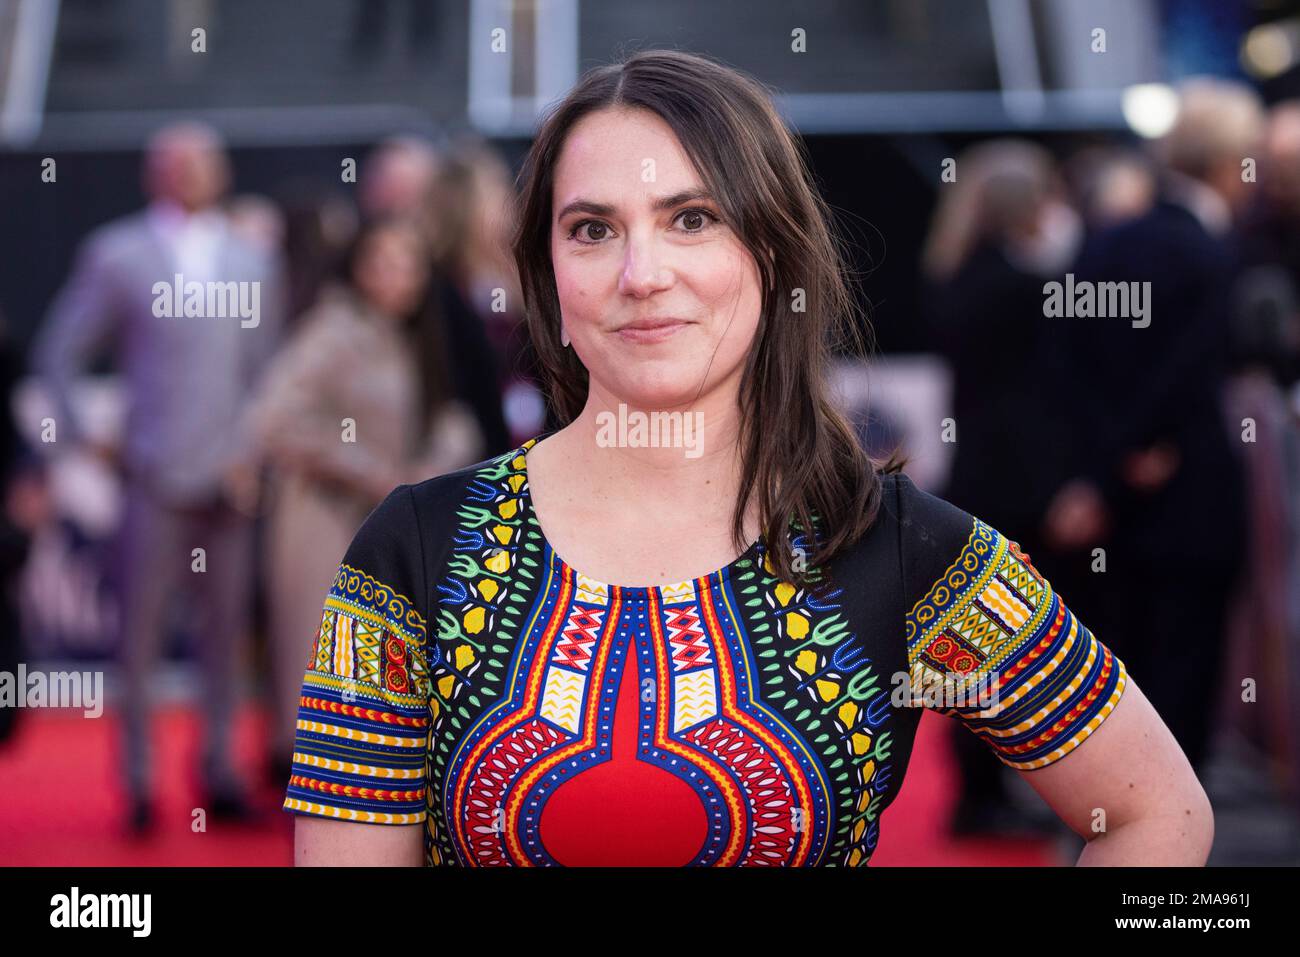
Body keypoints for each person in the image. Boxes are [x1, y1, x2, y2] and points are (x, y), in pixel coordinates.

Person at [284, 50, 1210, 867]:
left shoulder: (900, 548)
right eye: (593, 229)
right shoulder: (415, 548)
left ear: (773, 256)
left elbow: (1157, 812)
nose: (642, 273)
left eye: (692, 218)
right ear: (551, 286)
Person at [32, 121, 283, 834]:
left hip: (231, 479)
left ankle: (222, 771)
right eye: (180, 162)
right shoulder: (118, 254)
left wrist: (252, 451)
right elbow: (60, 352)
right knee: (138, 639)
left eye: (206, 160)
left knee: (226, 636)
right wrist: (89, 439)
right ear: (154, 173)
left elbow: (267, 374)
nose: (195, 173)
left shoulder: (254, 259)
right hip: (154, 476)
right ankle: (138, 784)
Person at [1042, 78, 1264, 776]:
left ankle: (1114, 818)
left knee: (1120, 669)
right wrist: (1141, 450)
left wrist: (1100, 468)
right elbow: (1187, 370)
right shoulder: (1208, 252)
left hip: (1114, 507)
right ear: (1231, 162)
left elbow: (1063, 360)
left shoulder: (1109, 242)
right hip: (1186, 498)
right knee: (1184, 671)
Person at [245, 216, 484, 788]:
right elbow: (273, 420)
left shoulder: (416, 334)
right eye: (382, 262)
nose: (396, 277)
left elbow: (451, 418)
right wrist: (370, 472)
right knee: (323, 673)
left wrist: (436, 464)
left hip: (389, 524)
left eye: (409, 264)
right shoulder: (334, 328)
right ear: (357, 267)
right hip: (323, 521)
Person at [920, 139, 1083, 838]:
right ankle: (985, 793)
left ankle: (982, 790)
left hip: (981, 477)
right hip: (1023, 484)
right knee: (1009, 642)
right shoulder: (1020, 287)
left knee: (979, 641)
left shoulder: (957, 273)